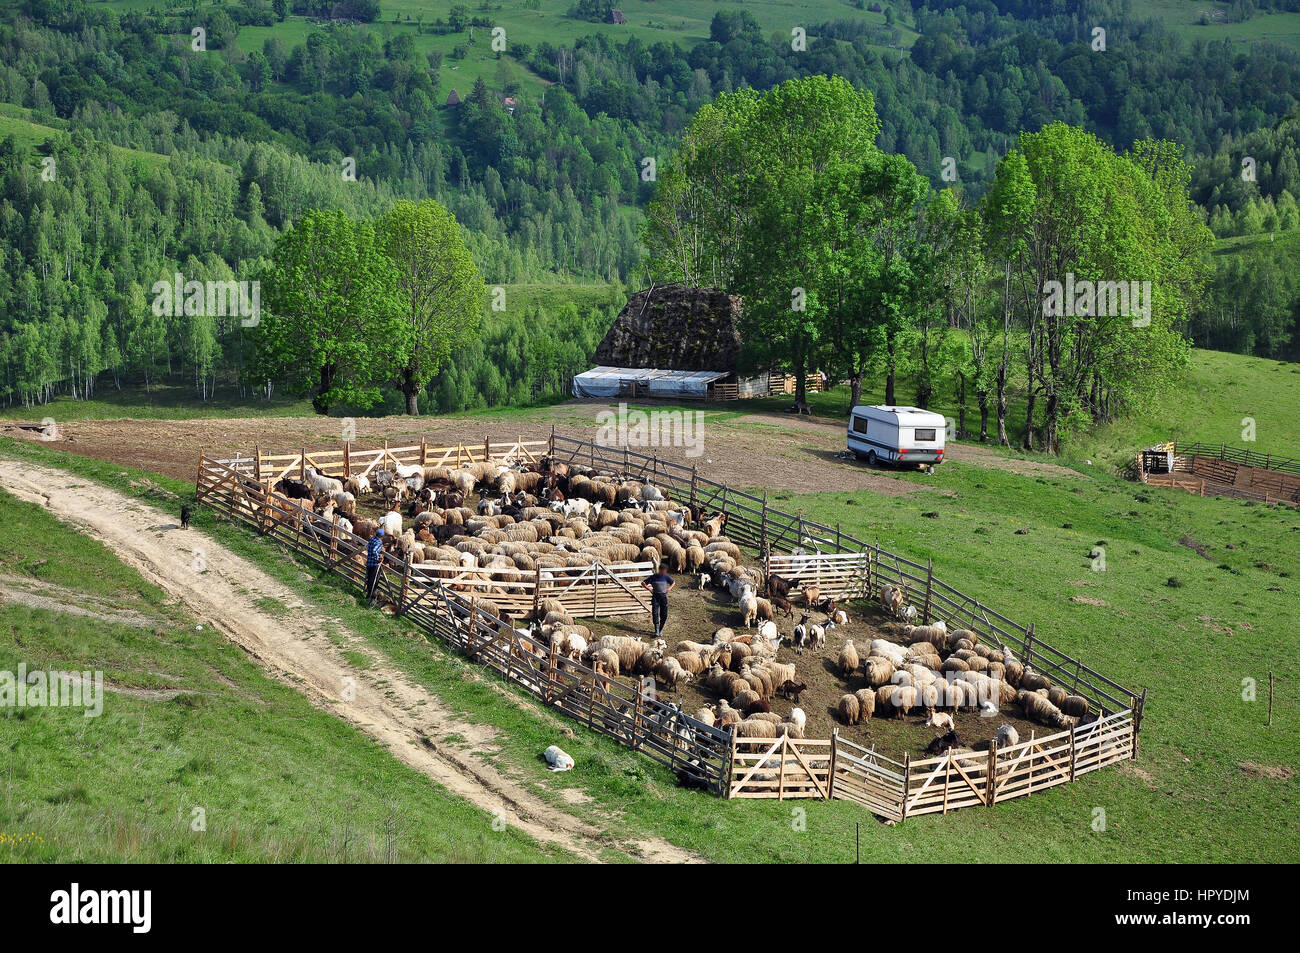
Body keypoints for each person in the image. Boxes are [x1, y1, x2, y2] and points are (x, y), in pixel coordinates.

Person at [641, 562, 675, 637]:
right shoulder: (653, 577)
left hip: (663, 597)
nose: (664, 572)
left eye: (665, 570)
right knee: (655, 613)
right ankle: (656, 630)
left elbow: (673, 582)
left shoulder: (666, 577)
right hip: (655, 597)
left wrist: (669, 588)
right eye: (663, 570)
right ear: (660, 570)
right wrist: (649, 589)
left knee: (664, 614)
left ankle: (660, 629)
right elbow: (643, 583)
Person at [365, 527, 385, 604]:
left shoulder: (372, 539)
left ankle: (369, 594)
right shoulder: (379, 541)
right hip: (374, 563)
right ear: (381, 536)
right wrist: (378, 558)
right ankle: (370, 596)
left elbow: (368, 548)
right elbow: (374, 551)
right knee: (374, 580)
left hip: (369, 562)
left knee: (369, 578)